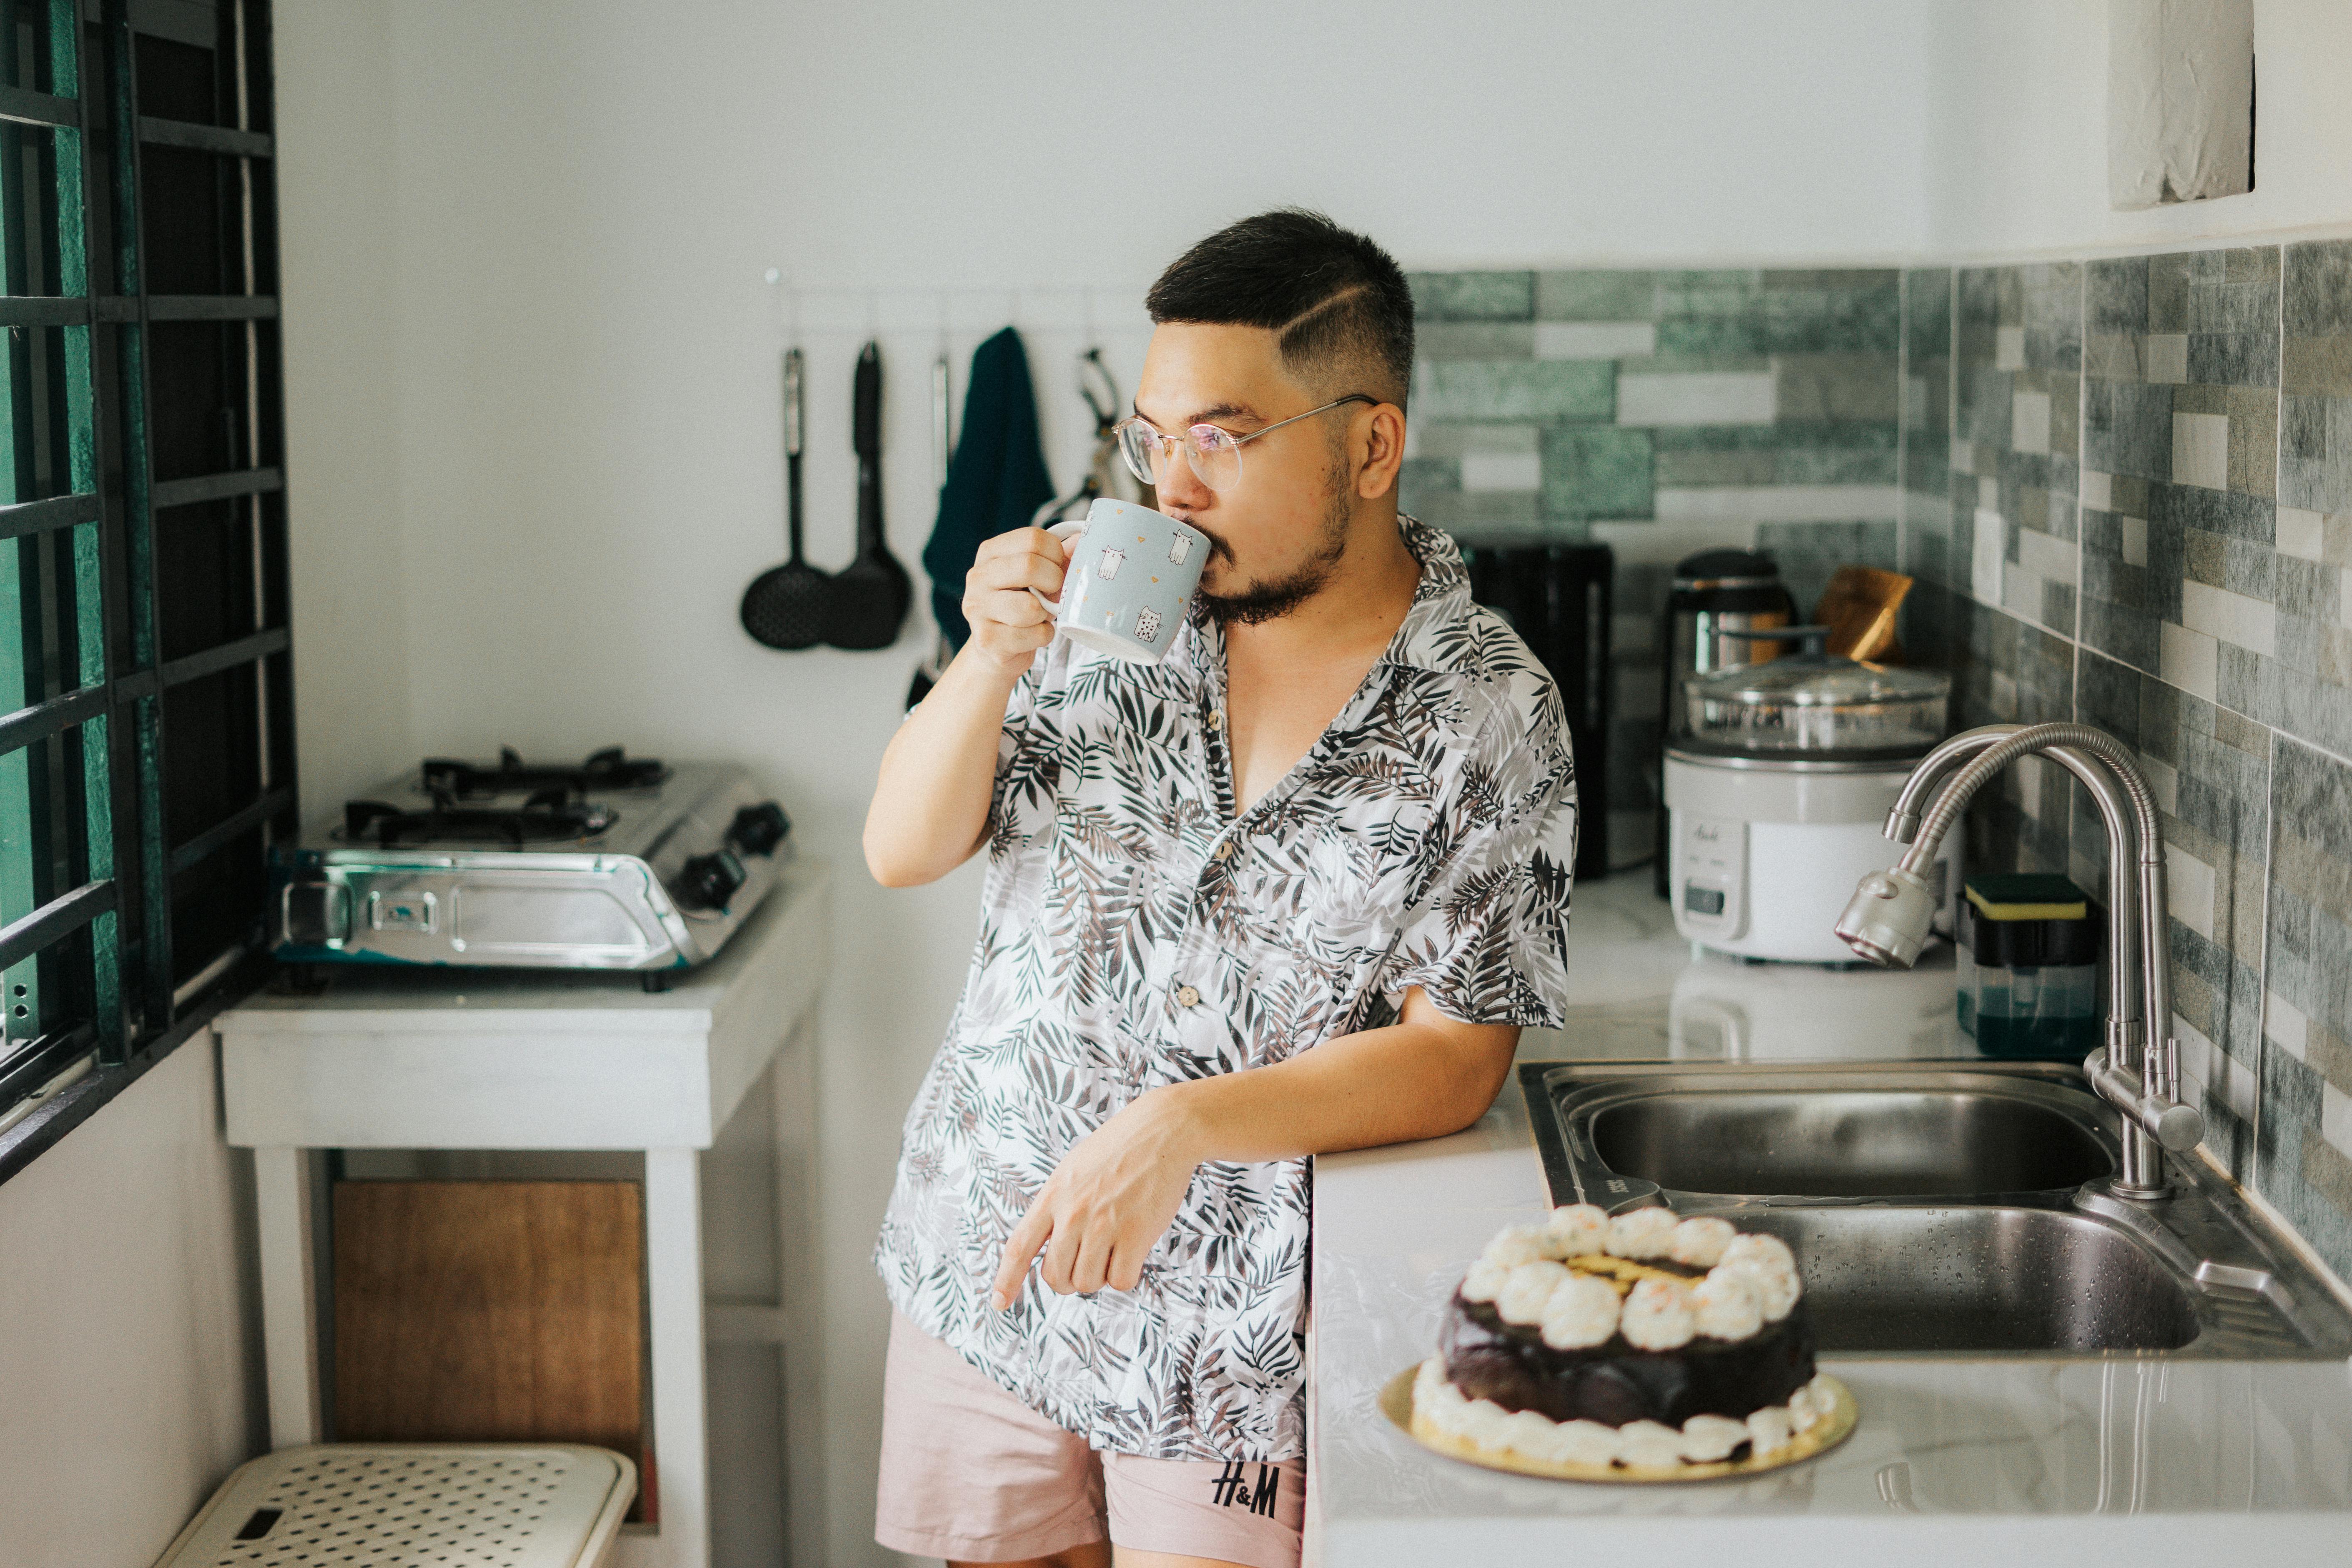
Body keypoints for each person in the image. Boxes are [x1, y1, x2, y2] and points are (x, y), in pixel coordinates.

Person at [863, 208, 1579, 1568]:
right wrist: (983, 659)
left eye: (1223, 437)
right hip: (989, 1264)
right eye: (1153, 435)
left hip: (1233, 1337)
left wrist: (1182, 1123)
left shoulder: (1489, 710)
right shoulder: (1099, 617)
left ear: (1369, 444)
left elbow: (1453, 1056)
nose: (1171, 488)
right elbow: (901, 846)